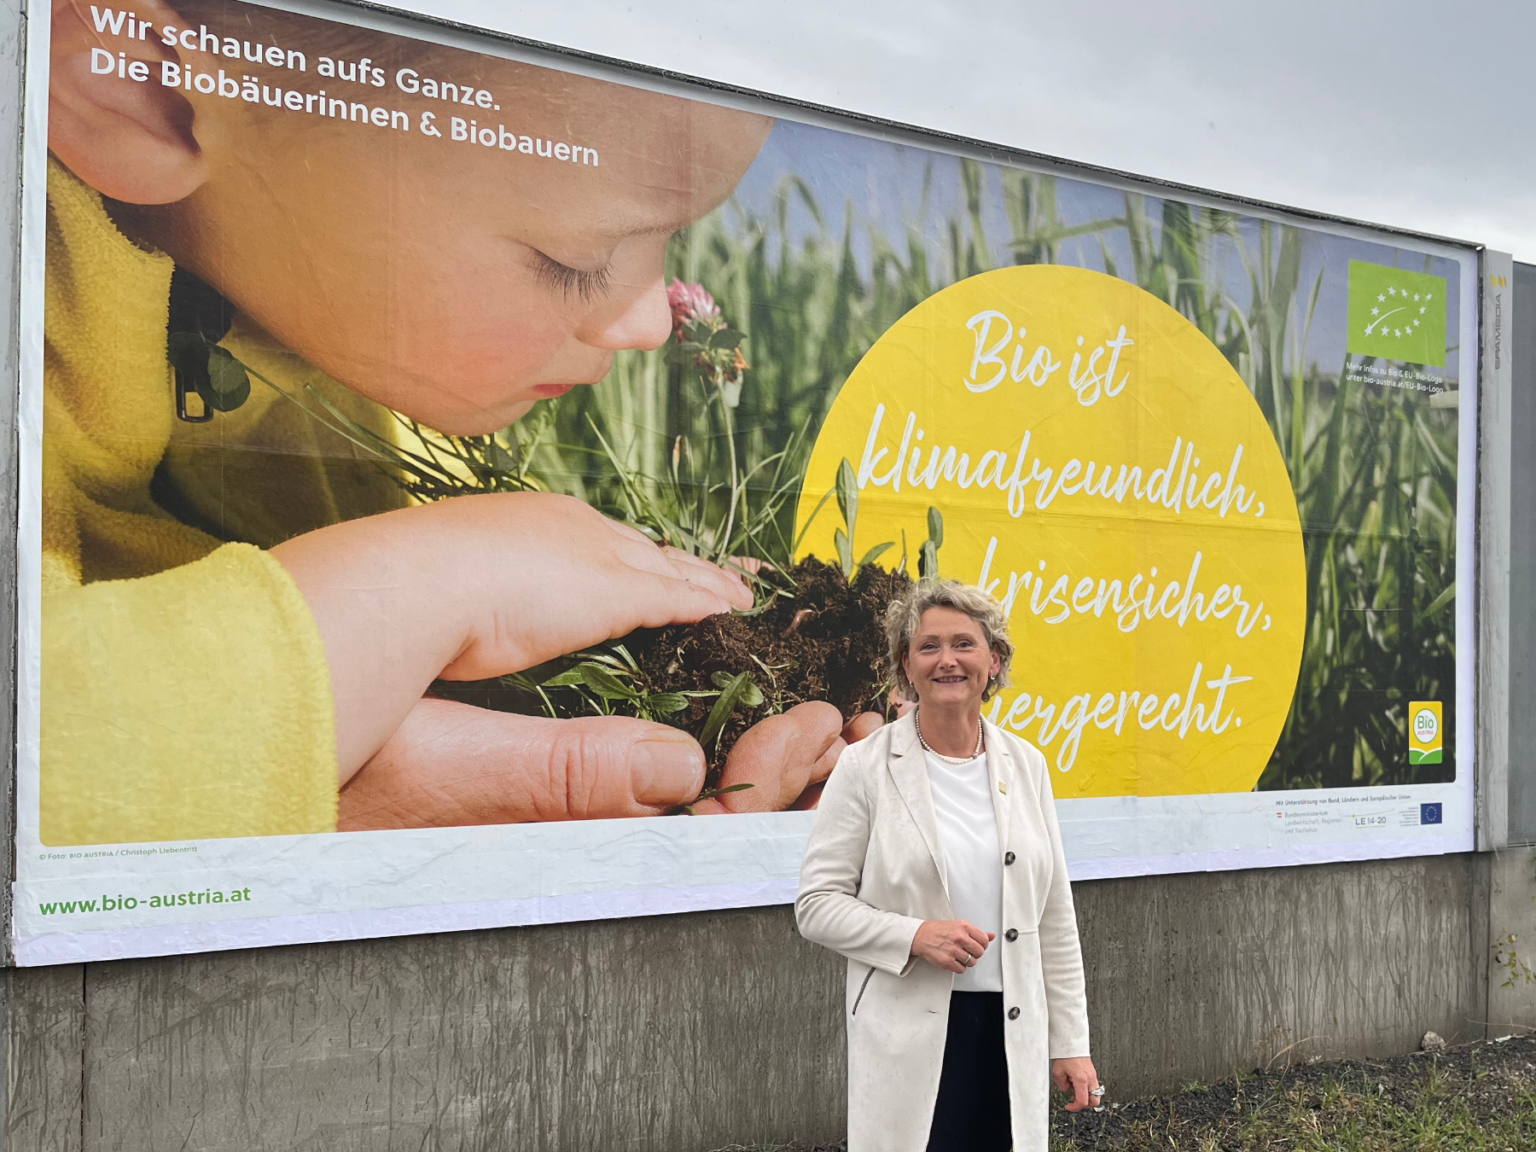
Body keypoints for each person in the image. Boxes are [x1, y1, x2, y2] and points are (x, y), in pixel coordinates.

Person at [40, 0, 853, 844]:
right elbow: (42, 758)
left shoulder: (363, 381)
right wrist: (434, 586)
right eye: (573, 259)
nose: (648, 322)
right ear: (145, 91)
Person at [796, 580, 1101, 1151]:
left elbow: (1054, 916)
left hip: (1011, 1028)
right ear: (905, 667)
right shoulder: (864, 767)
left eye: (964, 643)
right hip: (909, 1030)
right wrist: (914, 935)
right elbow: (816, 906)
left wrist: (1071, 1043)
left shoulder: (1026, 764)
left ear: (995, 660)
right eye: (928, 646)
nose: (947, 660)